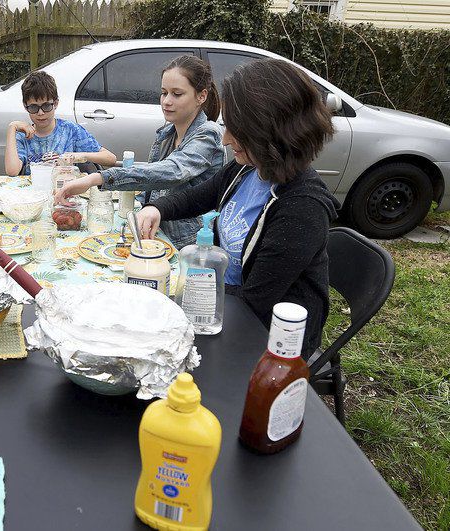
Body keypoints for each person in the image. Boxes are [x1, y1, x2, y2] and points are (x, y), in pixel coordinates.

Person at [135, 58, 339, 357]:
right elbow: (200, 195)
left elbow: (253, 301)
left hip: (265, 336)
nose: (227, 139)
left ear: (272, 131)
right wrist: (158, 209)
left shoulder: (301, 209)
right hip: (224, 303)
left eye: (237, 129)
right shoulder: (250, 169)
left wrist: (176, 293)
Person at [55, 56, 224, 248]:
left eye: (177, 94)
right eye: (163, 93)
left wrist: (96, 179)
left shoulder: (208, 134)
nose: (166, 101)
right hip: (156, 231)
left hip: (187, 244)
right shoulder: (167, 134)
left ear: (201, 96)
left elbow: (171, 171)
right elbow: (151, 190)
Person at [4, 70, 116, 175]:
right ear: (25, 106)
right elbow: (12, 171)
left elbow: (110, 158)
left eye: (46, 106)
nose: (41, 113)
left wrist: (79, 155)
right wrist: (12, 127)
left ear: (56, 103)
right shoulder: (23, 136)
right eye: (34, 107)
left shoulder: (71, 130)